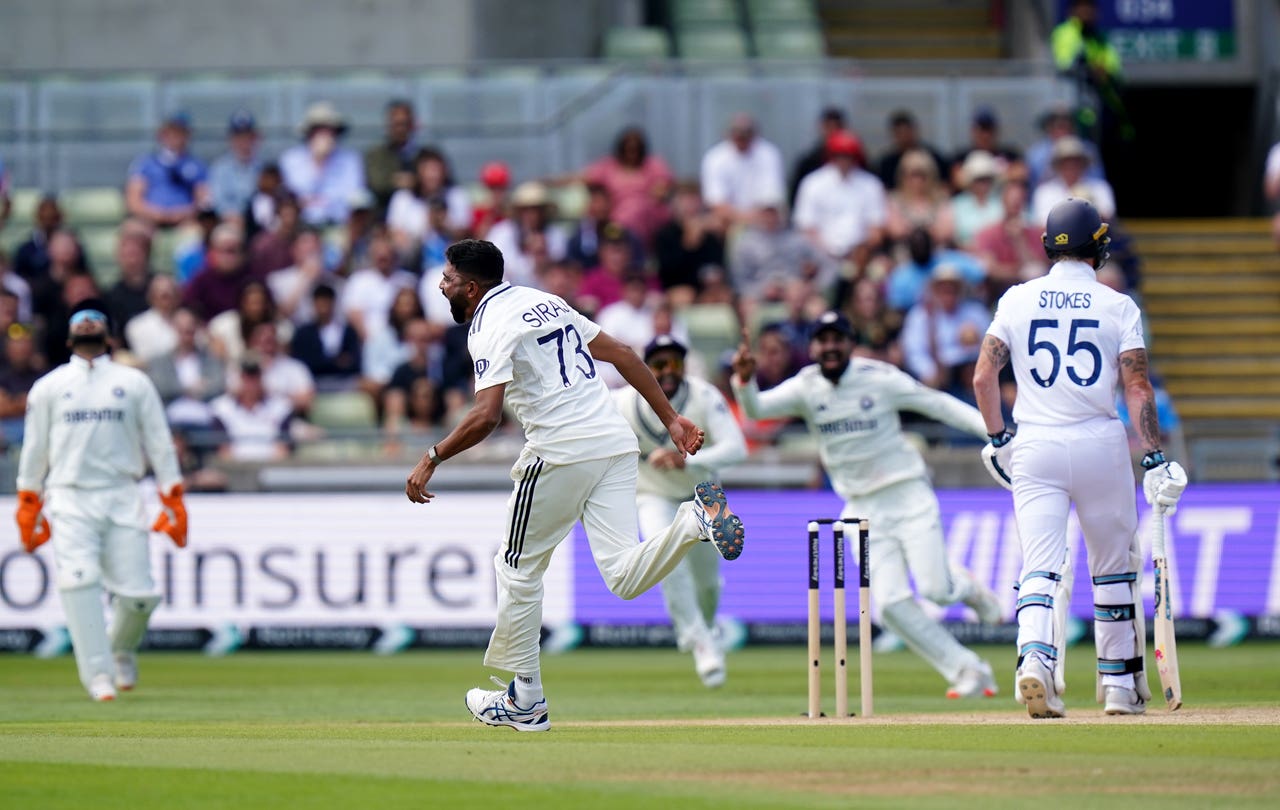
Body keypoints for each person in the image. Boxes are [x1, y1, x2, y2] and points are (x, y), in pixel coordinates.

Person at [405, 239, 746, 732]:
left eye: (449, 278)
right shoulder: (544, 300)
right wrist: (670, 419)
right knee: (623, 577)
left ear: (471, 287)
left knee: (515, 567)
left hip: (560, 451)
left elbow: (486, 416)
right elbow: (623, 354)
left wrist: (431, 456)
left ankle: (526, 699)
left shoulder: (488, 324)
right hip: (614, 442)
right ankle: (692, 522)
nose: (442, 284)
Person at [972, 197, 1187, 719]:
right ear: (1100, 246)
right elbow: (1137, 388)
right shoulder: (1118, 305)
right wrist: (1154, 457)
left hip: (1036, 443)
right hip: (1099, 444)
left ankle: (1035, 660)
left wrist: (1000, 440)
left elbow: (983, 377)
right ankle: (1119, 687)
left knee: (1039, 566)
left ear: (1048, 246)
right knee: (1113, 567)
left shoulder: (1017, 299)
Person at [730, 310, 1004, 700]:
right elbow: (756, 410)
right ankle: (967, 670)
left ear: (850, 343)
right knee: (890, 605)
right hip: (860, 508)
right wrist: (743, 380)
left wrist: (994, 433)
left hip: (906, 492)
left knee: (936, 590)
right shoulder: (806, 387)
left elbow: (938, 405)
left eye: (837, 339)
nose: (830, 347)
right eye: (822, 340)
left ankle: (969, 590)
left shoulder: (879, 378)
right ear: (813, 347)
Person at [15, 300, 188, 701]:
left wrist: (172, 494)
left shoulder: (133, 382)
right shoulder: (50, 387)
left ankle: (120, 649)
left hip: (123, 494)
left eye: (96, 321)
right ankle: (98, 676)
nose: (89, 324)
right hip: (70, 497)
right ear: (69, 337)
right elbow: (35, 448)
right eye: (81, 320)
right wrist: (29, 498)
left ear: (109, 336)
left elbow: (159, 442)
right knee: (79, 582)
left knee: (140, 596)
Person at [613, 335, 747, 687]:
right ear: (646, 366)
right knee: (665, 555)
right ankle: (699, 641)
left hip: (703, 496)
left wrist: (686, 463)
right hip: (652, 497)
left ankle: (705, 628)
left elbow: (737, 449)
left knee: (707, 584)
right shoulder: (623, 403)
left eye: (675, 363)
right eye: (659, 364)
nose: (668, 371)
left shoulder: (704, 396)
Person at [280, 102, 366, 226]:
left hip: (339, 226)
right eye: (320, 131)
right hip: (299, 228)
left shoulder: (351, 161)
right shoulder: (290, 160)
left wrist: (323, 202)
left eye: (330, 131)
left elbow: (354, 198)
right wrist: (318, 162)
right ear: (309, 134)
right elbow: (291, 197)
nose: (326, 137)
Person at [124, 111, 209, 228]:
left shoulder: (197, 166)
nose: (175, 137)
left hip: (185, 221)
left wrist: (184, 213)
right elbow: (133, 201)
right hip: (148, 219)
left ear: (188, 135)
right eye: (170, 132)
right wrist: (156, 214)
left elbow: (203, 200)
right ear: (161, 135)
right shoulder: (145, 163)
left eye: (180, 132)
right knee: (133, 232)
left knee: (194, 235)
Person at [699, 113, 785, 228]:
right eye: (738, 135)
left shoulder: (769, 154)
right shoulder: (715, 158)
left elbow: (771, 198)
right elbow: (716, 202)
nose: (742, 139)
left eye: (746, 135)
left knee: (775, 218)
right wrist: (741, 219)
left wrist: (753, 218)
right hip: (728, 218)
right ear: (728, 134)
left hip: (762, 216)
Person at [362, 99, 419, 217]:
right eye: (396, 124)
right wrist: (406, 181)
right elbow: (377, 183)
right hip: (384, 214)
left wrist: (416, 182)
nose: (400, 129)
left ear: (412, 125)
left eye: (404, 124)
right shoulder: (375, 155)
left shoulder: (424, 155)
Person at [208, 110, 263, 222]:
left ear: (255, 138)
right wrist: (237, 218)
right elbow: (219, 203)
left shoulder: (263, 167)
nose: (244, 141)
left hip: (259, 223)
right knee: (226, 237)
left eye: (248, 136)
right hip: (230, 221)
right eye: (239, 137)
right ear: (231, 139)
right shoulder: (220, 168)